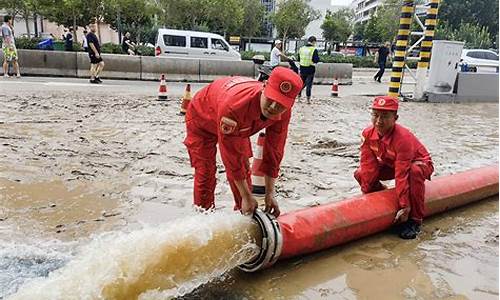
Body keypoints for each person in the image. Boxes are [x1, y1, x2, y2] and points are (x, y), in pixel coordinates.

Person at [184, 67, 303, 217]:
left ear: (290, 104)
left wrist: (270, 193)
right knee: (205, 172)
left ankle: (243, 215)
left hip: (239, 124)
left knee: (244, 168)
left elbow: (275, 150)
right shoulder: (234, 107)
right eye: (270, 99)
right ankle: (203, 219)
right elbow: (231, 158)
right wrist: (246, 196)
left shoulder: (284, 112)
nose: (273, 108)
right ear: (264, 86)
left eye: (280, 104)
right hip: (202, 117)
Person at [354, 96, 434, 239]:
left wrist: (405, 207)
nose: (379, 121)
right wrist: (367, 191)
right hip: (391, 163)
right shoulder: (367, 134)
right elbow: (367, 165)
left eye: (385, 116)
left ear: (395, 118)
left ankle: (415, 220)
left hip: (418, 163)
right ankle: (383, 194)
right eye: (375, 115)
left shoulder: (403, 138)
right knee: (360, 173)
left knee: (414, 172)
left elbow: (401, 173)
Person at [298, 36, 319, 104]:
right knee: (309, 85)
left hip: (302, 69)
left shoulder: (301, 49)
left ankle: (298, 98)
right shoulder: (313, 49)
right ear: (313, 42)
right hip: (310, 69)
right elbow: (316, 60)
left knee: (301, 83)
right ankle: (308, 100)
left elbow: (299, 58)